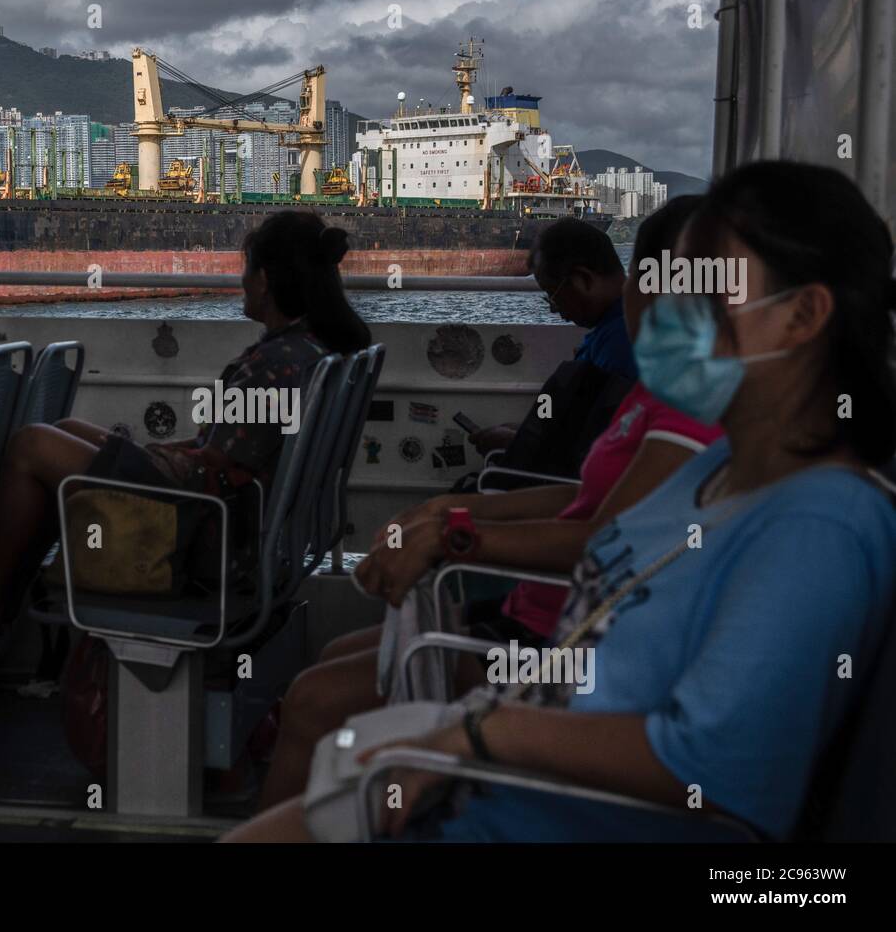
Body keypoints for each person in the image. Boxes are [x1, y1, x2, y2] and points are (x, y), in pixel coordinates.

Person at [224, 160, 896, 842]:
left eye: (705, 290)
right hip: (505, 777)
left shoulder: (820, 523)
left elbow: (711, 767)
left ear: (804, 315)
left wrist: (474, 736)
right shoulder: (718, 471)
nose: (670, 311)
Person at [255, 195, 719, 809]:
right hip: (536, 618)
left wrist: (456, 538)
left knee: (315, 700)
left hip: (553, 647)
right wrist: (448, 514)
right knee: (334, 660)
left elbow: (610, 537)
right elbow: (590, 497)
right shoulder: (663, 390)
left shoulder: (688, 407)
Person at [0, 210, 372, 636]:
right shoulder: (311, 353)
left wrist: (158, 457)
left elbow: (219, 471)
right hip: (235, 521)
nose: (240, 280)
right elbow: (234, 457)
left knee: (31, 446)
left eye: (247, 268)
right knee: (68, 428)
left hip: (204, 531)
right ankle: (5, 596)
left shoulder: (275, 365)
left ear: (264, 280)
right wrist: (153, 453)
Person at [468, 216, 635, 458]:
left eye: (552, 295)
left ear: (583, 280)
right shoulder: (615, 332)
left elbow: (597, 451)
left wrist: (517, 443)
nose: (554, 310)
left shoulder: (619, 346)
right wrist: (525, 434)